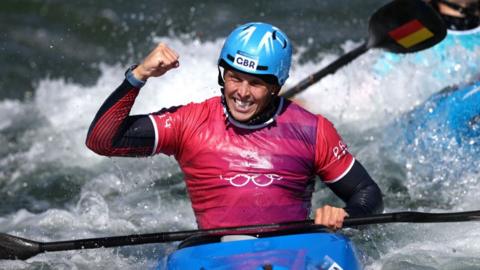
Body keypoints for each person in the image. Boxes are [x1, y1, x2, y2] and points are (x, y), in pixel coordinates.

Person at [86, 22, 383, 231]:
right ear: (222, 74)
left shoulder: (313, 130)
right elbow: (102, 141)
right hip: (217, 255)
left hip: (293, 254)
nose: (241, 92)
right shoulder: (189, 122)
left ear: (276, 86)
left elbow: (367, 193)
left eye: (255, 83)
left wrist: (344, 214)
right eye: (234, 77)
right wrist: (139, 74)